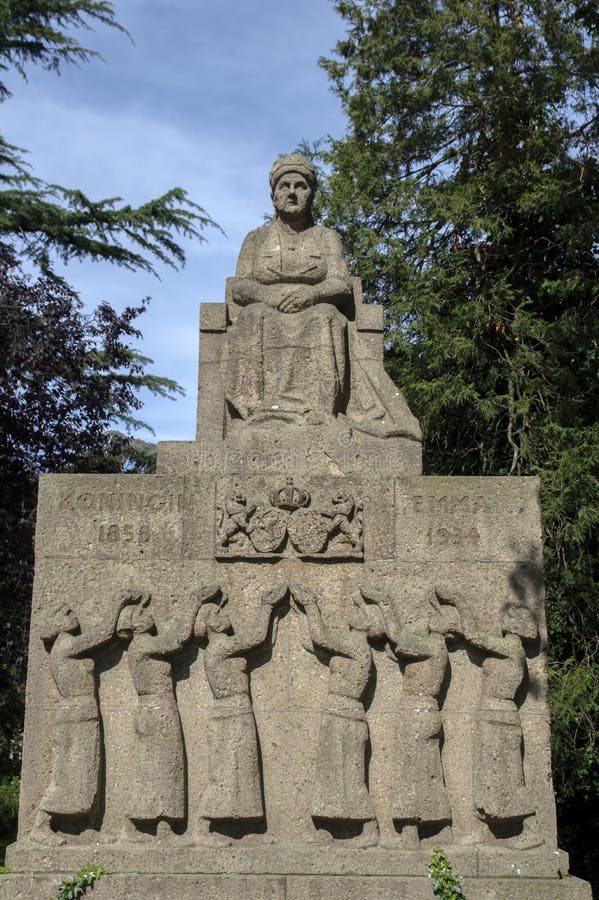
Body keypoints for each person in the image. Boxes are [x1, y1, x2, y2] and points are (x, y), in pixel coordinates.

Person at [225, 153, 353, 424]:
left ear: (310, 194)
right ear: (274, 196)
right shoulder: (256, 238)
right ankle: (256, 411)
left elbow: (341, 283)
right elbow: (239, 287)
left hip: (314, 306)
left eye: (300, 186)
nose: (292, 193)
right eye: (285, 186)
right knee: (252, 316)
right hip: (267, 308)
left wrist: (312, 294)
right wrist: (268, 296)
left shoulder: (327, 237)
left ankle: (320, 412)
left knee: (325, 316)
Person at [30, 591, 138, 844]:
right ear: (54, 623)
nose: (72, 615)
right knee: (68, 771)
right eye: (65, 613)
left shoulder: (69, 644)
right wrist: (118, 601)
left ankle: (83, 827)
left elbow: (102, 642)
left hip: (83, 713)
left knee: (85, 772)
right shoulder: (66, 644)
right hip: (76, 713)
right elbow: (101, 635)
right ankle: (41, 825)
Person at [116, 584, 219, 840]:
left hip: (155, 709)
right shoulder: (142, 645)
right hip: (158, 709)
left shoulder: (142, 645)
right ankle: (161, 825)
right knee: (164, 767)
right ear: (133, 627)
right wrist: (194, 599)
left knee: (151, 767)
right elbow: (177, 639)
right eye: (141, 614)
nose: (149, 615)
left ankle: (138, 825)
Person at [194, 583, 288, 843]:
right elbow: (255, 638)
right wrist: (267, 606)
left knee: (243, 770)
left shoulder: (223, 646)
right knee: (224, 773)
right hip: (230, 714)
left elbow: (259, 642)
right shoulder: (220, 647)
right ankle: (203, 826)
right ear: (210, 624)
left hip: (238, 712)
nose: (226, 616)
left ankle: (246, 826)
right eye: (218, 614)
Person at [291, 584, 380, 847]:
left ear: (367, 625)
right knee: (331, 773)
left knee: (351, 775)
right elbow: (314, 644)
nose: (354, 613)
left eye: (361, 612)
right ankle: (328, 825)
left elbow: (321, 638)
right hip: (337, 714)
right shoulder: (349, 646)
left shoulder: (358, 647)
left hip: (347, 715)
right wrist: (300, 614)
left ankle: (369, 827)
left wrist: (310, 604)